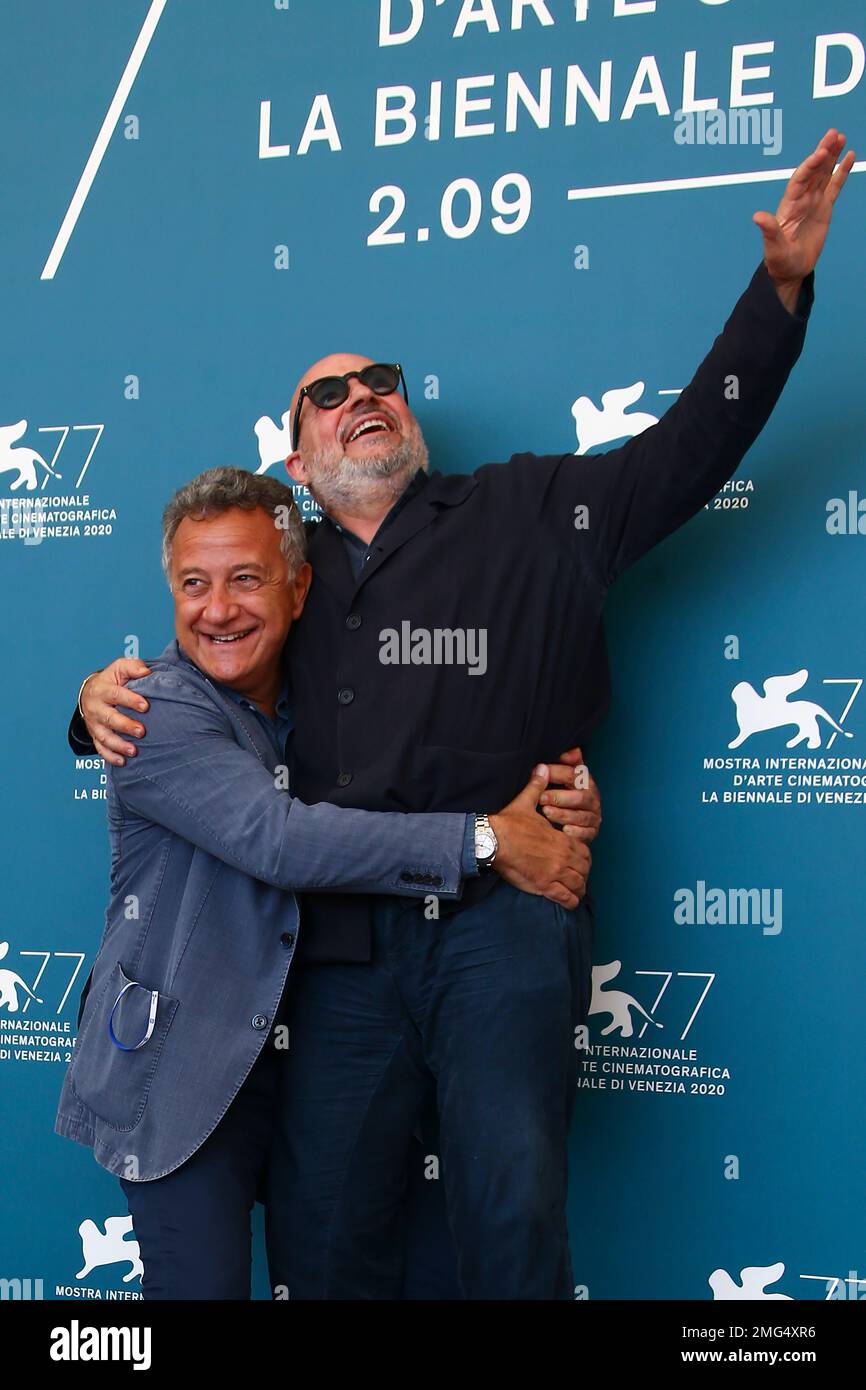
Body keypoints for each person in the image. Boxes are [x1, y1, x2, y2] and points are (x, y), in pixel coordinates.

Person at [72, 130, 855, 1299]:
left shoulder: (531, 507)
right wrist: (91, 707)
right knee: (325, 1229)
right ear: (296, 458)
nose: (359, 399)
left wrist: (779, 287)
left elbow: (693, 448)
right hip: (334, 944)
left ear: (407, 412)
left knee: (509, 1210)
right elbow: (194, 679)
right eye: (326, 395)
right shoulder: (279, 581)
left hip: (506, 916)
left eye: (377, 380)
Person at [57, 468, 595, 1300]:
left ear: (299, 587)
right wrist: (486, 841)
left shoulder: (309, 705)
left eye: (246, 579)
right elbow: (280, 840)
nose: (218, 609)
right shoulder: (152, 710)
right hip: (182, 1072)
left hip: (296, 1061)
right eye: (193, 584)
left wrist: (554, 794)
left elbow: (423, 749)